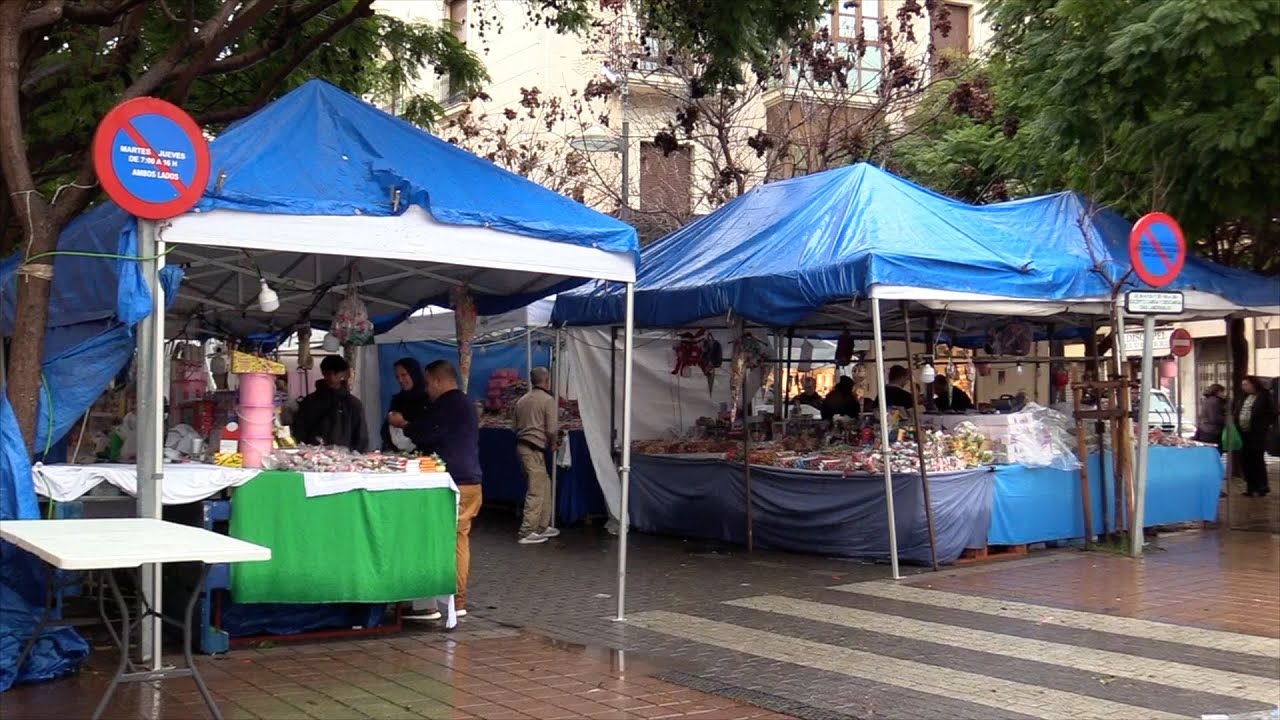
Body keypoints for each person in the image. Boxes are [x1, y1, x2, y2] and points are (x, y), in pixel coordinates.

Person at [389, 360, 483, 615]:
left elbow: (425, 433)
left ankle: (451, 600)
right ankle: (440, 601)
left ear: (439, 381)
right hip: (469, 479)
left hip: (453, 481)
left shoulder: (447, 404)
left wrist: (403, 424)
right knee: (457, 538)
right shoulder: (463, 403)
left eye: (429, 383)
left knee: (449, 539)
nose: (427, 388)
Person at [513, 367, 559, 545]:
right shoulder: (548, 400)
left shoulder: (522, 400)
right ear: (547, 380)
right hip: (535, 448)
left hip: (523, 446)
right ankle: (527, 531)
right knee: (537, 489)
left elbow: (514, 426)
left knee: (544, 484)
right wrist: (553, 443)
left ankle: (541, 525)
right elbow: (552, 429)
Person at [291, 355, 369, 451]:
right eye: (328, 373)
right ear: (323, 373)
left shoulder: (353, 404)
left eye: (336, 373)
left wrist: (355, 456)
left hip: (346, 457)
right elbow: (300, 431)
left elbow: (361, 438)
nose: (332, 377)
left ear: (343, 373)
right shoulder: (310, 401)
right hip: (314, 455)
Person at [1234, 376, 1276, 497]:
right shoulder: (1243, 397)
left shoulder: (1264, 396)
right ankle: (1250, 487)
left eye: (1246, 384)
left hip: (1256, 434)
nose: (1244, 387)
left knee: (1256, 459)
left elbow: (1272, 413)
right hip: (1243, 433)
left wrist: (1263, 425)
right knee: (1245, 460)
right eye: (1243, 385)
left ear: (1254, 384)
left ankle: (1262, 486)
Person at [381, 357, 430, 451]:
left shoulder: (428, 399)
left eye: (403, 375)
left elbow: (427, 432)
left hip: (422, 454)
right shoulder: (398, 400)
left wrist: (401, 423)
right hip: (396, 454)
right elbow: (386, 430)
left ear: (414, 374)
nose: (400, 380)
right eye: (397, 377)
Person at [1194, 383, 1227, 450]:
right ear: (1218, 392)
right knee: (1215, 451)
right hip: (1212, 432)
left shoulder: (1207, 400)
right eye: (1223, 392)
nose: (1224, 394)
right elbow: (1215, 418)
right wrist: (1227, 419)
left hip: (1204, 430)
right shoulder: (1215, 401)